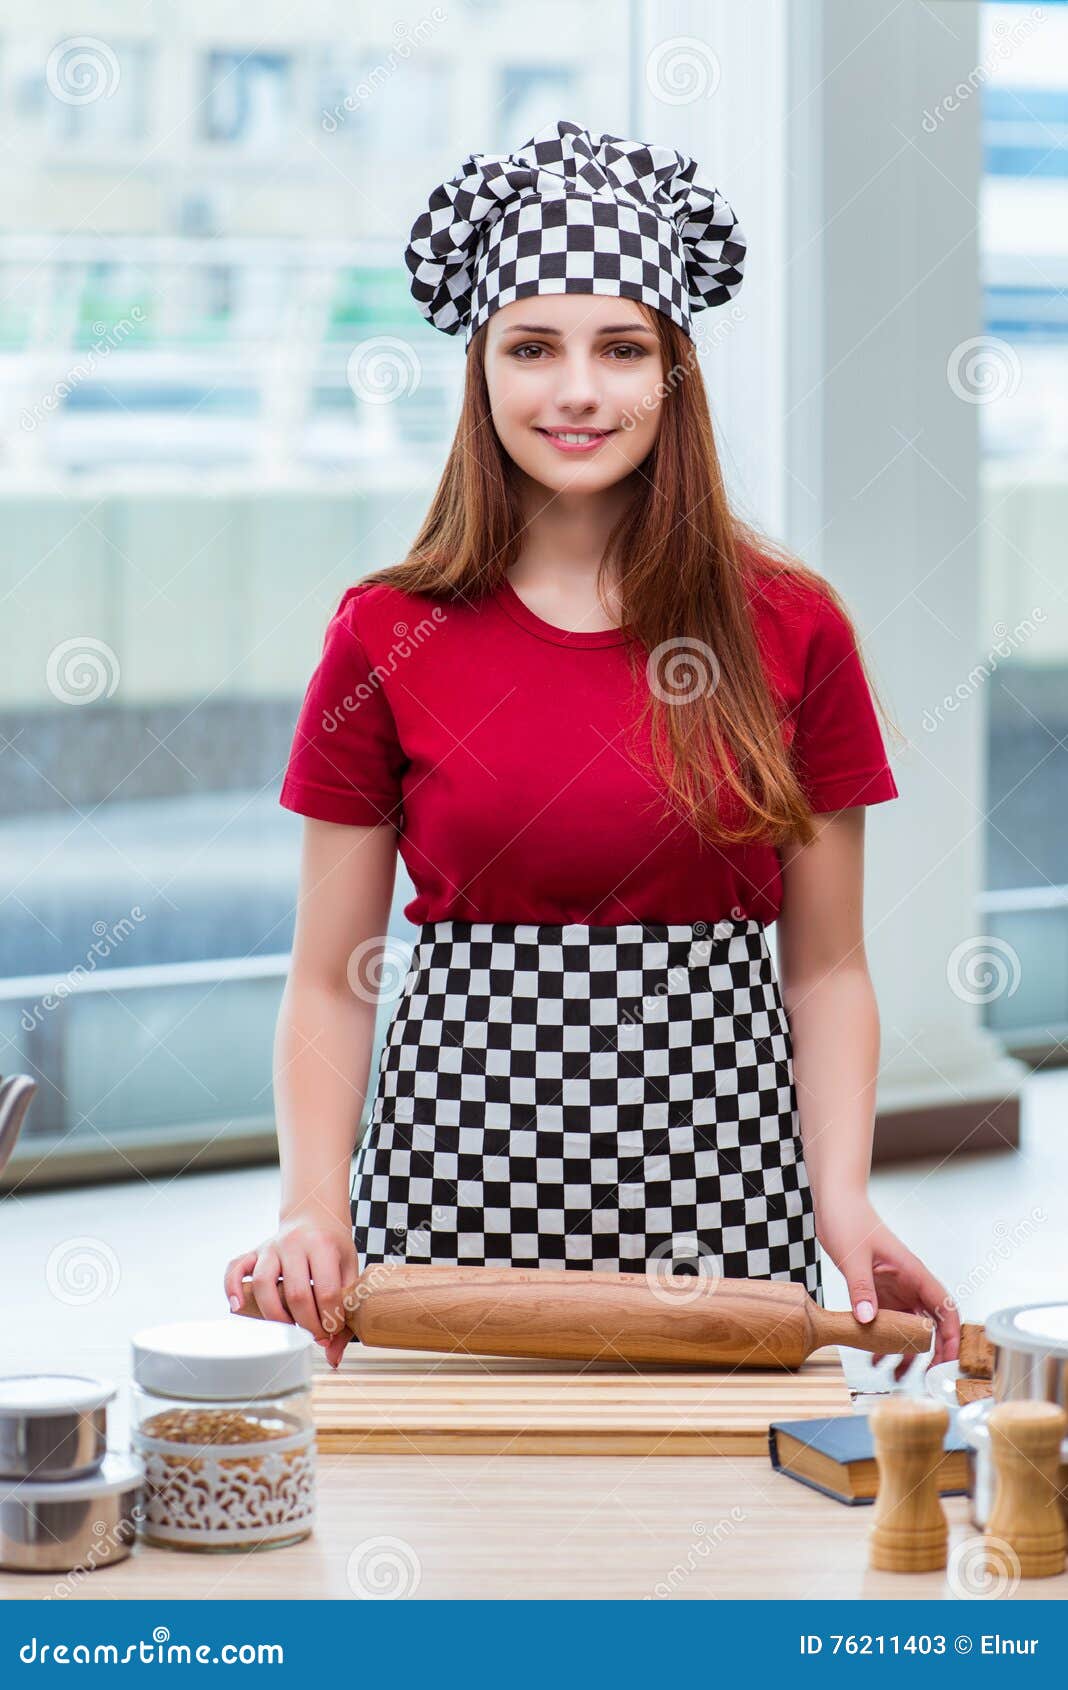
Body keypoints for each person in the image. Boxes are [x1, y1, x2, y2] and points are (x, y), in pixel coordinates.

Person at [224, 118, 960, 1378]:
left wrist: (843, 1198)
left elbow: (828, 969)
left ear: (674, 376)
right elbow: (333, 972)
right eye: (533, 348)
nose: (578, 390)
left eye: (622, 348)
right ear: (483, 375)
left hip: (725, 1198)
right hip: (444, 1200)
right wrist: (312, 1203)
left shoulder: (795, 626)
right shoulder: (383, 634)